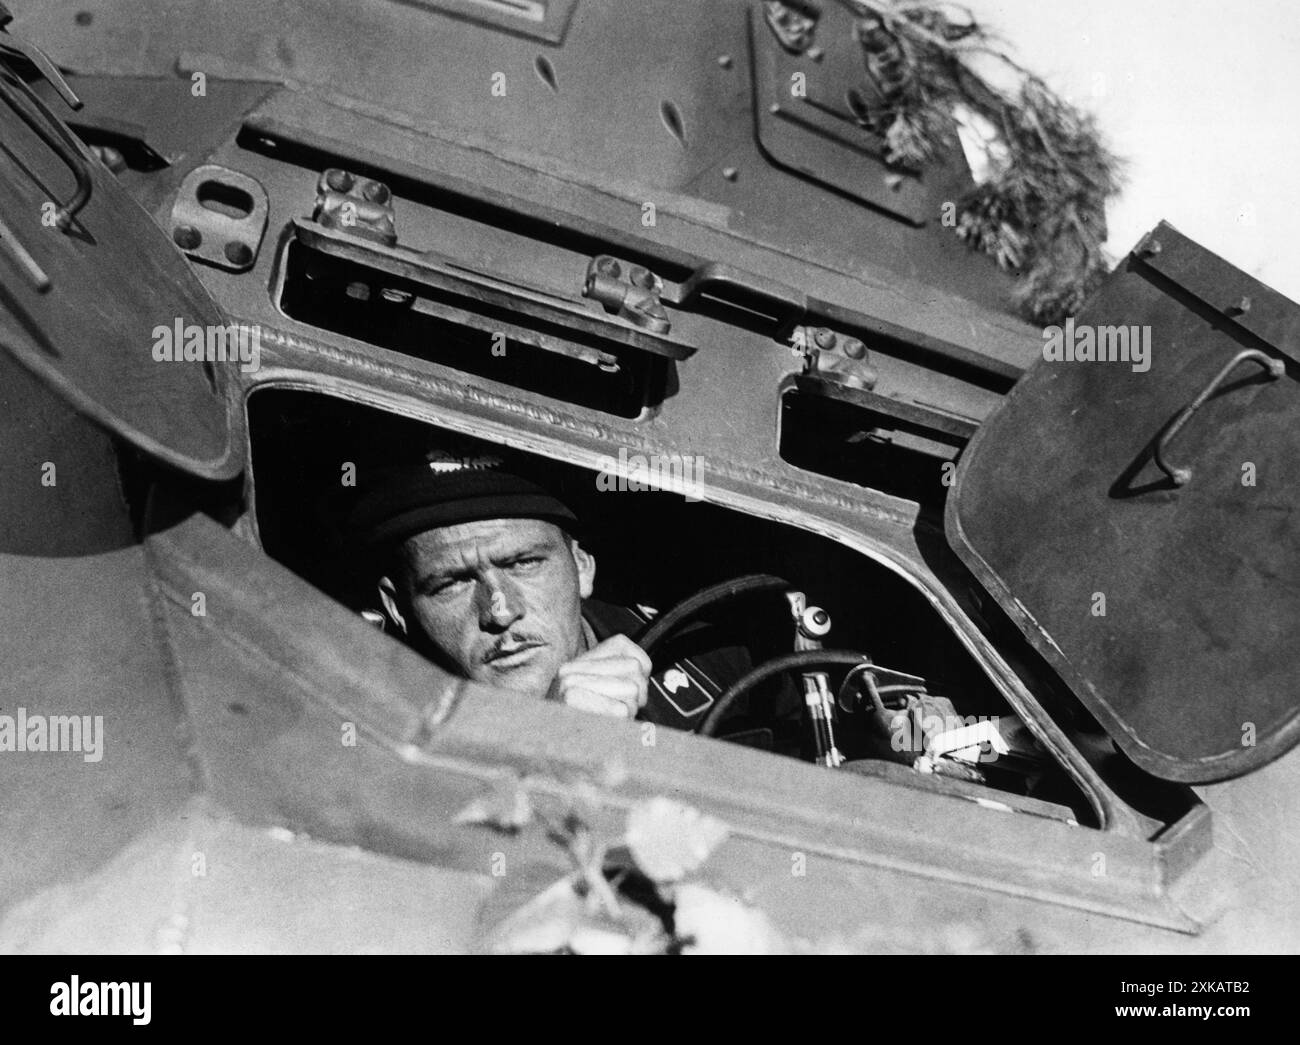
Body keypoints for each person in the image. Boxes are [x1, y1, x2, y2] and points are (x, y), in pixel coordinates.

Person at [347, 454, 745, 728]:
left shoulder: (711, 658)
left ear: (583, 567)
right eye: (453, 582)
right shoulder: (377, 725)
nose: (499, 612)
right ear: (396, 607)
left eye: (523, 564)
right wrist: (550, 741)